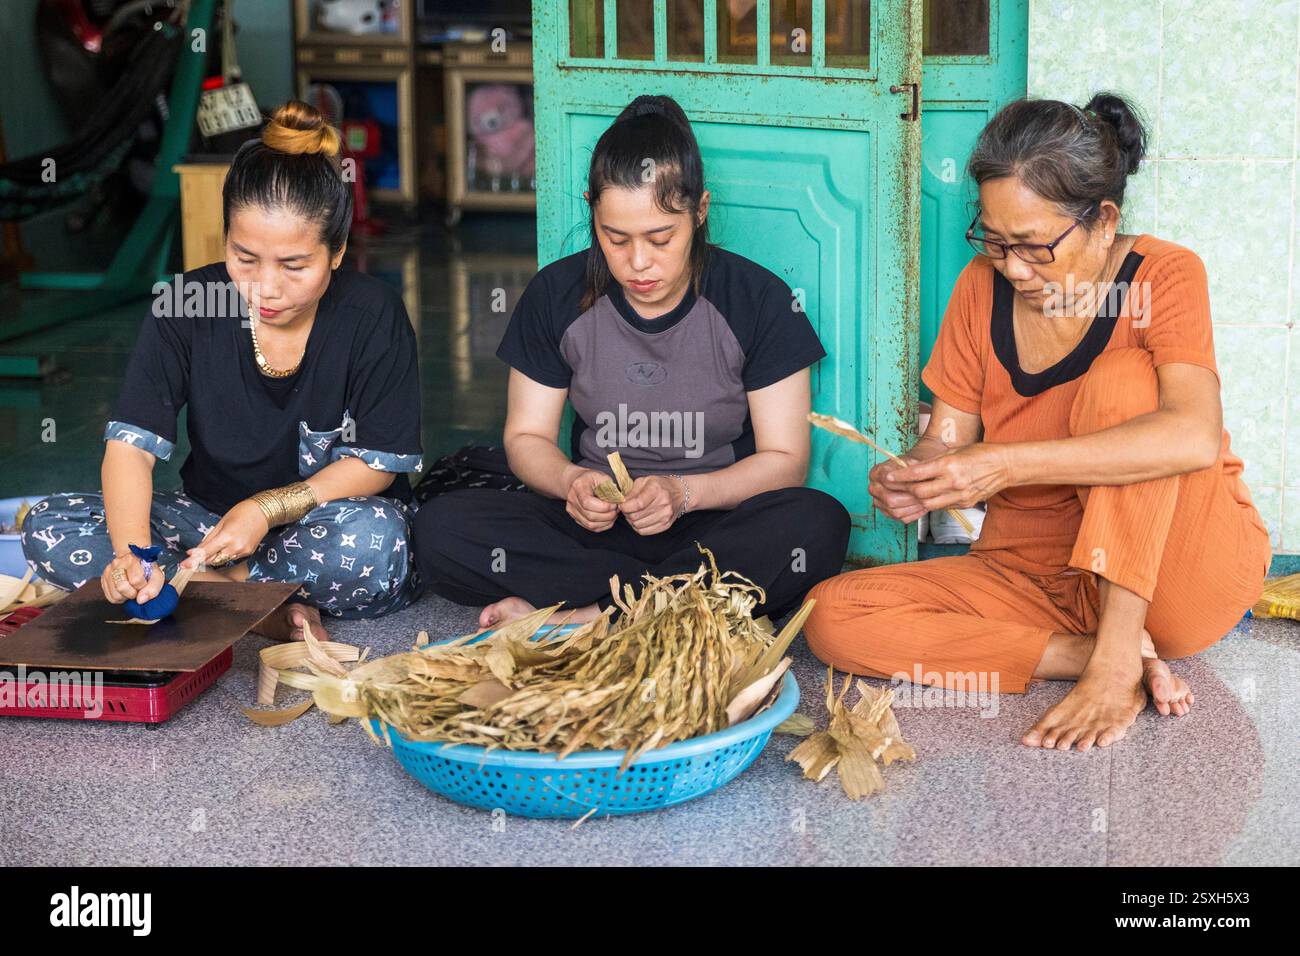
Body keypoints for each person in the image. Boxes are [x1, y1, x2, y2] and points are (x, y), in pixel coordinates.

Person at [803, 93, 1270, 752]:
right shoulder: (979, 287)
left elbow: (1191, 435)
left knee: (1123, 385)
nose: (1013, 268)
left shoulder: (1164, 275)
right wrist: (918, 471)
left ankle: (1117, 662)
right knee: (831, 614)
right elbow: (948, 435)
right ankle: (1084, 654)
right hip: (1033, 577)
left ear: (1103, 221)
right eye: (994, 242)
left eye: (1033, 246)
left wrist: (1006, 464)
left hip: (1174, 572)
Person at [414, 94, 849, 626]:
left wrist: (683, 494)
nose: (638, 263)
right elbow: (526, 438)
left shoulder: (757, 300)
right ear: (591, 211)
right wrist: (571, 482)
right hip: (594, 530)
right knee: (441, 529)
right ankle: (666, 602)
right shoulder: (557, 294)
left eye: (660, 238)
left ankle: (584, 615)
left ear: (700, 211)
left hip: (706, 521)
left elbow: (786, 460)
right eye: (615, 238)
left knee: (816, 523)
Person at [22, 101, 423, 640]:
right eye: (245, 258)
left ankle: (213, 594)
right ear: (226, 238)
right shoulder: (186, 304)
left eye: (294, 265)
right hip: (205, 525)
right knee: (49, 525)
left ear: (337, 251)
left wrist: (264, 509)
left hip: (318, 525)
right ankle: (258, 605)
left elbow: (378, 465)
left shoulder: (372, 314)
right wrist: (130, 557)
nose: (266, 287)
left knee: (380, 540)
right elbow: (131, 449)